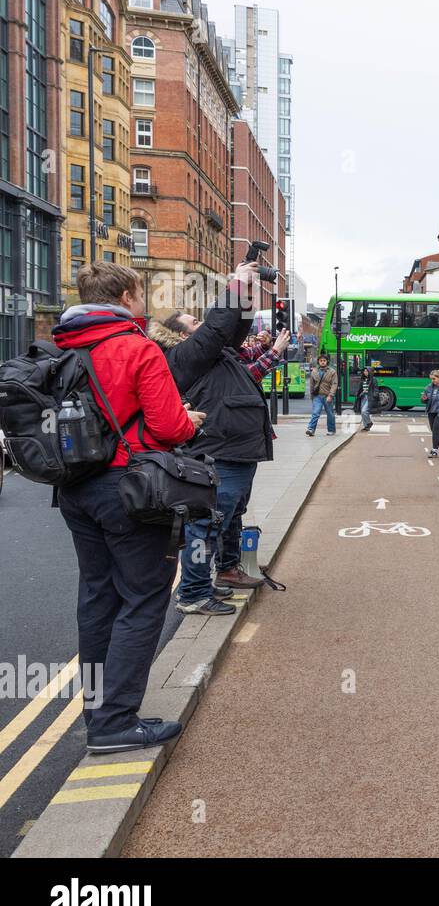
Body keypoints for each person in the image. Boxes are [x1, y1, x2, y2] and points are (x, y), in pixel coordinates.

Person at [53, 262, 203, 753]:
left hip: (75, 489)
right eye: (141, 293)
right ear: (127, 295)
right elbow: (169, 427)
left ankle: (97, 712)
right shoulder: (136, 347)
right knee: (141, 599)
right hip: (130, 489)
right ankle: (115, 722)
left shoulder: (61, 347)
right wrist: (189, 419)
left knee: (98, 600)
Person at [150, 262, 274, 615]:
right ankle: (193, 592)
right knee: (206, 524)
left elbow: (233, 328)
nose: (201, 325)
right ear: (182, 336)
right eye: (193, 324)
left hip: (236, 450)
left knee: (230, 516)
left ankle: (225, 571)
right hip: (217, 452)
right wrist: (235, 283)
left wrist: (248, 292)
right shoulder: (184, 357)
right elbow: (219, 326)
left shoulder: (214, 354)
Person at [306, 354, 337, 437]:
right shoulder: (314, 371)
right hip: (317, 396)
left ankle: (331, 430)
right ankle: (311, 429)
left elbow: (334, 384)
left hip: (327, 395)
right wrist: (312, 395)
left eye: (324, 361)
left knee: (330, 413)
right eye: (321, 361)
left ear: (327, 362)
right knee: (315, 413)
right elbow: (311, 384)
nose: (322, 362)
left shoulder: (332, 372)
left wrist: (331, 395)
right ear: (318, 362)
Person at [353, 366, 378, 431]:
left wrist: (375, 395)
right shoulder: (362, 379)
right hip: (363, 397)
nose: (365, 372)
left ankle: (369, 423)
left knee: (364, 411)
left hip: (369, 397)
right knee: (362, 412)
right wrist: (357, 394)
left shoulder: (373, 379)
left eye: (367, 371)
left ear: (370, 372)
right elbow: (360, 388)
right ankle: (366, 426)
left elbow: (376, 389)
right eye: (364, 371)